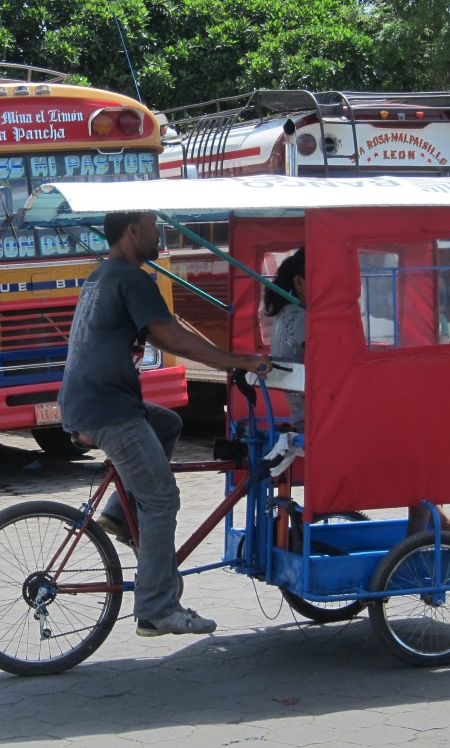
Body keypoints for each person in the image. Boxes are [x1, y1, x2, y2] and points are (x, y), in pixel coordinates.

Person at [59, 211, 270, 638]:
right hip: (108, 409)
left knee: (167, 423)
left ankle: (120, 515)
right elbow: (170, 336)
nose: (162, 235)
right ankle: (157, 609)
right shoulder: (131, 277)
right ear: (133, 232)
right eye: (155, 228)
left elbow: (155, 335)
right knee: (161, 500)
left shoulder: (103, 275)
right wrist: (239, 362)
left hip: (88, 401)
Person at [263, 248, 450, 541]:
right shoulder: (304, 320)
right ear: (299, 282)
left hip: (314, 417)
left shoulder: (286, 316)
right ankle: (419, 537)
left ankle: (437, 521)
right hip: (325, 423)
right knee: (420, 447)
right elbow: (328, 376)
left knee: (413, 434)